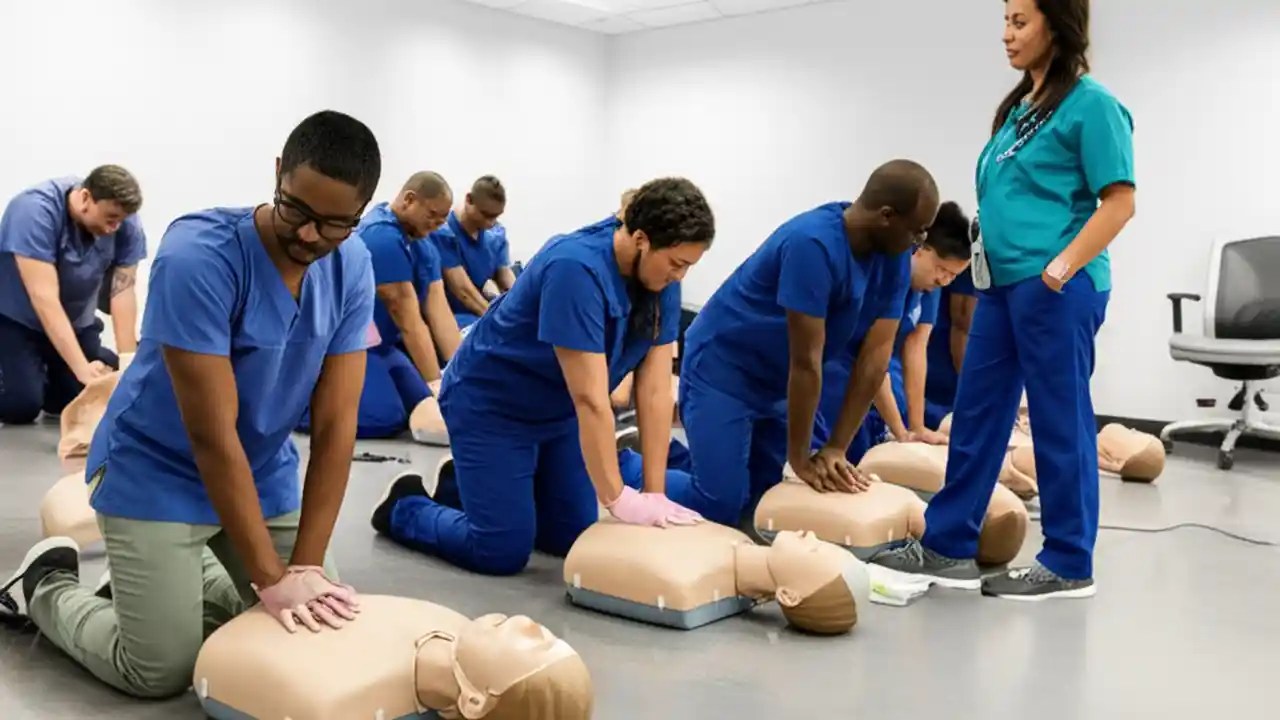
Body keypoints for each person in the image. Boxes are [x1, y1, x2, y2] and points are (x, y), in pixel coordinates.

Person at [0, 110, 382, 697]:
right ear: (278, 173)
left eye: (334, 225)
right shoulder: (198, 254)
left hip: (258, 473)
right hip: (154, 471)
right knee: (161, 670)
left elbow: (336, 426)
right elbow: (212, 435)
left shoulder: (352, 264)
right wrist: (267, 578)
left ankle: (174, 578)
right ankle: (43, 587)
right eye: (297, 211)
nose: (310, 236)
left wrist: (302, 569)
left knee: (312, 625)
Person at [870, 0, 1135, 601]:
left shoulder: (1093, 106)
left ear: (1057, 24)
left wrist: (1060, 270)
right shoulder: (1020, 110)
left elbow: (1119, 201)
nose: (1007, 35)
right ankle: (948, 544)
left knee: (1057, 422)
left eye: (1020, 21)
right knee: (978, 414)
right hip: (997, 286)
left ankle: (1069, 561)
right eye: (1006, 21)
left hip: (1057, 289)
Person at [370, 178, 715, 576]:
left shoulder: (661, 279)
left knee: (569, 537)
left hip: (556, 411)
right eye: (677, 263)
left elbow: (654, 391)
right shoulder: (576, 268)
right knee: (501, 551)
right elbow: (591, 400)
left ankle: (467, 488)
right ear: (641, 239)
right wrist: (619, 499)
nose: (680, 276)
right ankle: (405, 506)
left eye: (688, 266)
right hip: (492, 406)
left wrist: (653, 494)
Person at [670, 160, 941, 528]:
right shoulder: (812, 244)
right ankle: (636, 467)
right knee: (719, 504)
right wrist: (800, 458)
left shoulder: (893, 260)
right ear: (887, 216)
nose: (919, 243)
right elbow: (806, 362)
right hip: (725, 369)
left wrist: (836, 448)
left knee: (764, 497)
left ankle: (707, 462)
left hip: (778, 380)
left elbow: (874, 359)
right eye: (918, 232)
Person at [299, 171, 459, 438]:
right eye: (433, 215)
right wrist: (435, 382)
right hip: (345, 346)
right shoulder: (379, 237)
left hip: (383, 348)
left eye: (443, 218)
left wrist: (458, 376)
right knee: (384, 418)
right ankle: (294, 403)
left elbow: (438, 309)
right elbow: (407, 318)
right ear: (409, 200)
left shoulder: (424, 244)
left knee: (432, 413)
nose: (438, 224)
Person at [819, 201, 974, 461]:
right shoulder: (886, 279)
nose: (944, 281)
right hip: (841, 378)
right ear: (920, 250)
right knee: (839, 457)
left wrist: (917, 426)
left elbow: (916, 347)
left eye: (954, 276)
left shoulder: (928, 289)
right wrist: (901, 432)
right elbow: (871, 360)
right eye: (942, 270)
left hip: (883, 381)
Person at [0, 166, 146, 424]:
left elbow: (122, 291)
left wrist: (127, 363)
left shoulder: (124, 220)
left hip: (77, 321)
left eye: (121, 220)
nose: (115, 228)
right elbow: (44, 299)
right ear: (86, 198)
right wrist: (82, 370)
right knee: (22, 405)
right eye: (110, 218)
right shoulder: (33, 212)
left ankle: (53, 371)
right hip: (18, 321)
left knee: (72, 399)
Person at [431, 175, 517, 328]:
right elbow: (463, 292)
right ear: (469, 200)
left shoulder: (495, 235)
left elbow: (507, 280)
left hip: (479, 310)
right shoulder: (444, 233)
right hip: (453, 315)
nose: (491, 223)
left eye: (495, 217)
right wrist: (499, 323)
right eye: (486, 215)